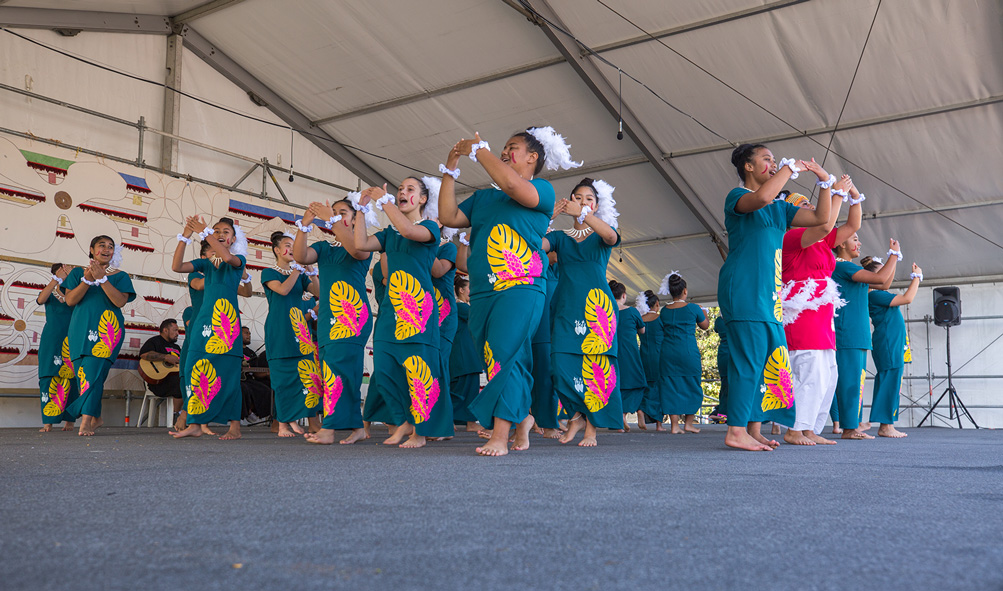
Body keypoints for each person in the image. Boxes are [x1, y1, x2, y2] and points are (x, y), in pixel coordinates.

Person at [438, 127, 577, 456]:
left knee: (505, 353)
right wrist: (451, 167)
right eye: (502, 147)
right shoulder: (484, 198)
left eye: (511, 147)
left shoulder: (541, 190)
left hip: (522, 286)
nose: (503, 151)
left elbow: (513, 185)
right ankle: (522, 418)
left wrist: (479, 150)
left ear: (532, 157)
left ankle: (500, 435)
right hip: (483, 290)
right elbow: (448, 216)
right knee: (494, 358)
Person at [718, 144, 834, 451]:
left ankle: (753, 429)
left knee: (768, 360)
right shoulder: (737, 196)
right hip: (744, 289)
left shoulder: (780, 209)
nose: (772, 163)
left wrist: (824, 182)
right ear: (748, 167)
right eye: (766, 159)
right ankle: (735, 430)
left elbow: (823, 221)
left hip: (769, 295)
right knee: (748, 360)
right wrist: (788, 168)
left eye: (774, 160)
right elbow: (761, 198)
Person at [356, 176, 447, 449]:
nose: (402, 193)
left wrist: (385, 202)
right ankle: (403, 421)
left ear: (423, 199)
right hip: (390, 310)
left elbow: (408, 231)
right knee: (384, 370)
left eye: (410, 190)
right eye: (400, 189)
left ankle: (421, 431)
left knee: (419, 371)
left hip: (418, 310)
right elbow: (360, 243)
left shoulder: (430, 227)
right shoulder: (389, 234)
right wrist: (361, 208)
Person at [779, 176, 860, 446]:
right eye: (804, 205)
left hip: (823, 312)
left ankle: (811, 427)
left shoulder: (822, 243)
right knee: (809, 368)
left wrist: (853, 195)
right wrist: (836, 192)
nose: (811, 207)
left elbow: (853, 225)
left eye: (810, 203)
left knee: (828, 372)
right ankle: (795, 428)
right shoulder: (791, 238)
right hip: (802, 311)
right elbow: (825, 224)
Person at [544, 177, 622, 447]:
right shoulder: (559, 238)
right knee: (559, 364)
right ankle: (576, 416)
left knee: (596, 366)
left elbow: (612, 237)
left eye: (589, 199)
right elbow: (534, 245)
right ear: (568, 202)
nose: (583, 202)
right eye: (577, 198)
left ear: (597, 206)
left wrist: (584, 214)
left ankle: (592, 428)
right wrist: (548, 218)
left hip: (598, 309)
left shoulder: (602, 233)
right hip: (566, 305)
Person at [293, 195, 374, 445]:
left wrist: (331, 218)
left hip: (351, 316)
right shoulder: (324, 247)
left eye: (342, 213)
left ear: (355, 219)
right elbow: (300, 257)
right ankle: (357, 427)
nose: (336, 215)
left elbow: (356, 250)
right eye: (333, 211)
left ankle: (329, 428)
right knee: (333, 371)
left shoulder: (362, 243)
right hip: (328, 315)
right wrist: (305, 224)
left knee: (339, 369)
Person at [170, 216, 247, 440]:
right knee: (195, 368)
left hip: (227, 324)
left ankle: (235, 426)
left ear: (233, 239)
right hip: (203, 323)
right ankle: (195, 422)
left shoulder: (237, 260)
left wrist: (205, 232)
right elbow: (176, 266)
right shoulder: (204, 265)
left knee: (229, 374)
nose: (220, 234)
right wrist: (186, 236)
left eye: (225, 232)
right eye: (216, 231)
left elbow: (226, 257)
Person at [63, 236, 136, 435]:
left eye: (110, 247)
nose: (106, 249)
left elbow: (119, 302)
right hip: (79, 330)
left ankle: (86, 421)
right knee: (84, 377)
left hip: (107, 332)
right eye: (101, 245)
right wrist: (87, 280)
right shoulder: (77, 273)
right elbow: (70, 300)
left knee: (92, 374)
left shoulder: (121, 276)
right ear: (92, 249)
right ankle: (97, 417)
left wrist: (102, 279)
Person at [831, 234, 900, 440]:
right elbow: (880, 278)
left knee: (856, 382)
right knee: (850, 382)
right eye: (854, 239)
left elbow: (884, 284)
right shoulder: (842, 266)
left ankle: (853, 426)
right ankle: (848, 428)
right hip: (847, 333)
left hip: (858, 333)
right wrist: (894, 255)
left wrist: (894, 259)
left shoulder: (852, 269)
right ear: (841, 243)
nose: (859, 243)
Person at [260, 230, 321, 437]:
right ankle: (283, 424)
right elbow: (283, 290)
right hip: (279, 330)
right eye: (288, 245)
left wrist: (310, 269)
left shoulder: (301, 275)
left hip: (301, 333)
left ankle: (307, 421)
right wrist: (297, 268)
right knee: (282, 380)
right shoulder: (269, 273)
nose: (292, 249)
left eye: (294, 246)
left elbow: (319, 292)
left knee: (308, 377)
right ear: (277, 250)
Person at [863, 257, 922, 438]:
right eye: (883, 271)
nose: (887, 274)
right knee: (890, 380)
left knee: (891, 380)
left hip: (892, 340)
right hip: (888, 341)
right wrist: (917, 277)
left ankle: (885, 423)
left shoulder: (878, 294)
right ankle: (885, 425)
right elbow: (907, 298)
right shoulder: (875, 294)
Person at [657, 272, 710, 434]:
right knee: (692, 383)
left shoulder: (664, 311)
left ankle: (674, 426)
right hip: (688, 351)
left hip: (667, 352)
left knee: (670, 385)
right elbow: (705, 326)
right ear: (685, 291)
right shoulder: (693, 308)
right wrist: (704, 312)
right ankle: (688, 423)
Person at [36, 262, 77, 432]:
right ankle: (48, 422)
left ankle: (70, 421)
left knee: (72, 378)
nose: (69, 274)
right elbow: (40, 300)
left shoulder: (76, 293)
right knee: (48, 376)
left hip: (72, 339)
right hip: (51, 340)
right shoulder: (50, 291)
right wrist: (55, 280)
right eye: (66, 271)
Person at [611, 280, 646, 432]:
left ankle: (618, 417)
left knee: (614, 384)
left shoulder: (606, 311)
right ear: (624, 295)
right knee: (637, 383)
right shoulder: (632, 312)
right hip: (630, 352)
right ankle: (624, 413)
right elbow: (642, 331)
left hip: (611, 352)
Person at [449, 275, 482, 433]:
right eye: (470, 288)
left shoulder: (464, 307)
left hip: (467, 354)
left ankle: (467, 421)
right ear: (461, 290)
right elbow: (479, 318)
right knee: (463, 390)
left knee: (467, 390)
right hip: (464, 354)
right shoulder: (461, 307)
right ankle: (459, 421)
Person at [139, 319, 183, 423]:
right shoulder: (154, 341)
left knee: (189, 381)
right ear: (165, 330)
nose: (178, 333)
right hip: (158, 382)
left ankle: (182, 414)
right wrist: (165, 357)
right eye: (175, 330)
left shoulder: (176, 347)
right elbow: (144, 355)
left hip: (172, 380)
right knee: (181, 382)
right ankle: (176, 414)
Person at [636, 290, 665, 431]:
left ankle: (641, 409)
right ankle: (659, 424)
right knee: (659, 388)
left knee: (645, 385)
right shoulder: (661, 319)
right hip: (659, 356)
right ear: (657, 304)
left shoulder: (640, 319)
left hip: (643, 356)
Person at [239, 326, 271, 422]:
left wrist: (267, 373)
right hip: (237, 379)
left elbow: (256, 373)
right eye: (246, 333)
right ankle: (248, 412)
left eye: (249, 333)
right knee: (244, 389)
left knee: (266, 390)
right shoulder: (233, 350)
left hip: (249, 379)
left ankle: (255, 411)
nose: (249, 335)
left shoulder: (251, 353)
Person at [709, 314, 730, 423]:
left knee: (725, 383)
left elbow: (716, 329)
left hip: (723, 353)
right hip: (735, 352)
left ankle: (722, 412)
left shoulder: (719, 320)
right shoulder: (736, 318)